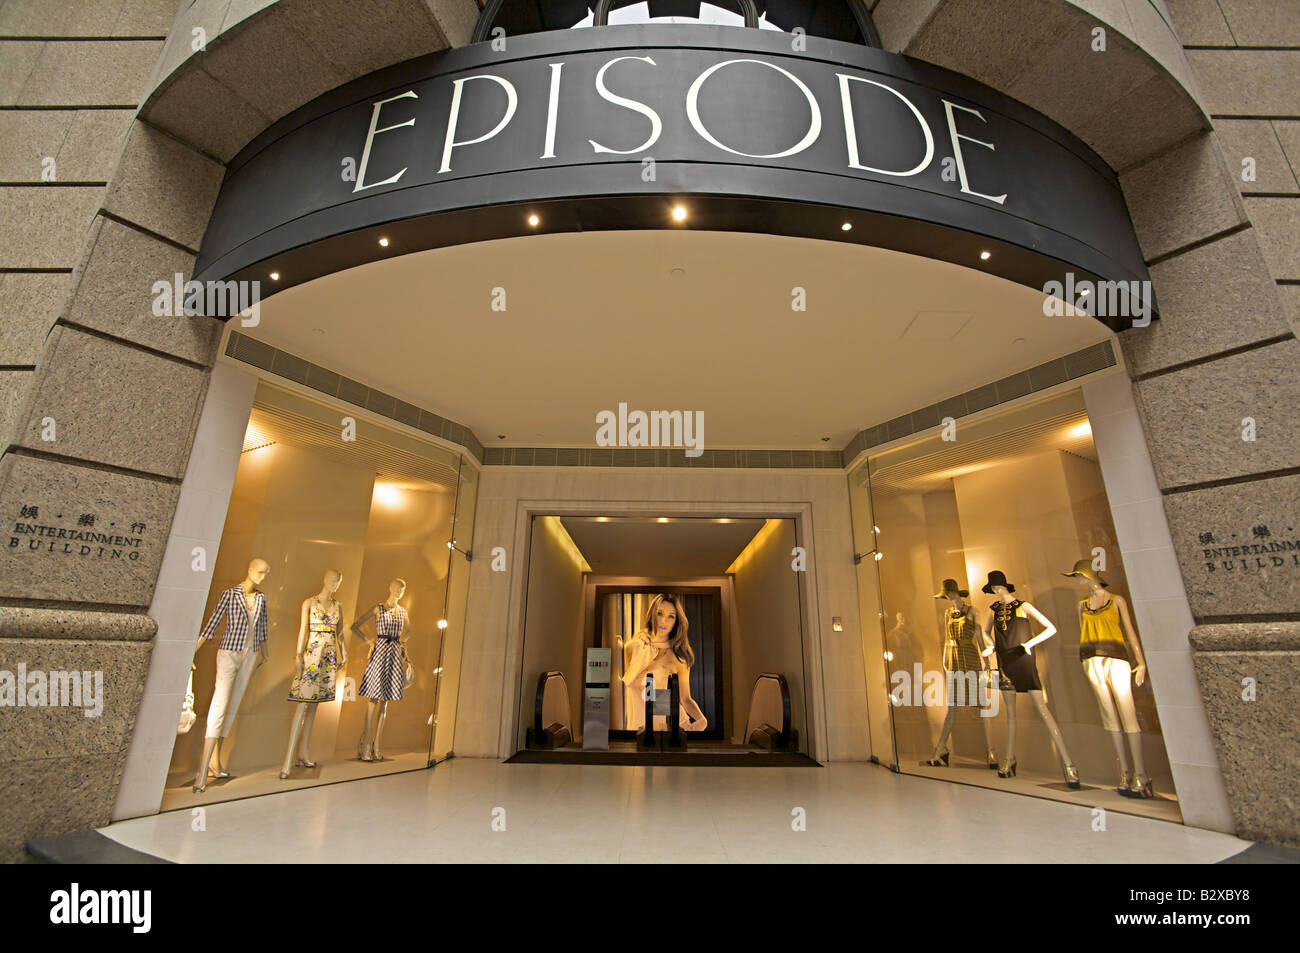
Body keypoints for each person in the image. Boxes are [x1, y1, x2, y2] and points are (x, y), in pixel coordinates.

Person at [979, 570, 1080, 788]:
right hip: (1004, 660)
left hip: (1022, 658)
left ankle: (1069, 764)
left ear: (1005, 586)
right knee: (1011, 715)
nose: (996, 591)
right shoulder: (993, 609)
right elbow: (985, 632)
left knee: (1042, 709)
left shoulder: (1023, 606)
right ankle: (1010, 758)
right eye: (993, 588)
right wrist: (989, 645)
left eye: (998, 587)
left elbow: (1050, 627)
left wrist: (1030, 644)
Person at [1062, 559, 1153, 798]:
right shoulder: (1081, 605)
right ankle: (1124, 771)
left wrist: (1140, 661)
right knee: (1109, 717)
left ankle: (1141, 773)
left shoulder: (1116, 601)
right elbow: (1083, 634)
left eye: (1079, 577)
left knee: (1127, 713)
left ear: (1089, 576)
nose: (1079, 582)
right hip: (1092, 660)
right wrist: (1083, 662)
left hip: (1117, 658)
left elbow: (1129, 632)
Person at [192, 558, 270, 794]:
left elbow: (263, 628)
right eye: (260, 572)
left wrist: (265, 654)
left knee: (233, 705)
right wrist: (193, 652)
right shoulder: (230, 595)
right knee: (220, 703)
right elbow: (212, 624)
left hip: (251, 653)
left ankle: (216, 762)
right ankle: (203, 768)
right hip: (229, 652)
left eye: (266, 573)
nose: (262, 577)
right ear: (248, 570)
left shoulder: (261, 598)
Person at [280, 569, 348, 779]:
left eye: (339, 581)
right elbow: (303, 629)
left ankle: (304, 752)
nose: (335, 584)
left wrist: (344, 652)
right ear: (325, 579)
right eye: (333, 580)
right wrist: (298, 654)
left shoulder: (338, 606)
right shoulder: (309, 603)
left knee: (314, 705)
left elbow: (340, 633)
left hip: (328, 656)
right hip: (312, 654)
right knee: (303, 704)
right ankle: (287, 760)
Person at [925, 579, 997, 769]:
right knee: (953, 705)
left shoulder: (973, 611)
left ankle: (991, 751)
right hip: (953, 657)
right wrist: (944, 661)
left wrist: (987, 661)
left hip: (970, 655)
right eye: (946, 594)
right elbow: (947, 639)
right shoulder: (948, 613)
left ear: (955, 593)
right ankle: (941, 749)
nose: (948, 597)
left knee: (981, 703)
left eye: (949, 593)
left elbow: (980, 636)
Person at [621, 593, 707, 733]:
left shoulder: (679, 658)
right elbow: (628, 686)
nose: (663, 621)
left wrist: (702, 720)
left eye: (671, 616)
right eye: (659, 613)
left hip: (670, 728)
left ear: (676, 621)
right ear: (652, 615)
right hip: (637, 727)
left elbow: (685, 699)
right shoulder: (634, 647)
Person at [353, 578, 410, 761]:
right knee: (373, 699)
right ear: (390, 587)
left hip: (393, 654)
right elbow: (356, 626)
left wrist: (402, 645)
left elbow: (408, 631)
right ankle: (365, 745)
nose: (398, 592)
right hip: (379, 652)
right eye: (396, 588)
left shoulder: (402, 612)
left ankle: (377, 744)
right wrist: (370, 642)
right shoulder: (378, 608)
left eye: (401, 590)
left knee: (385, 701)